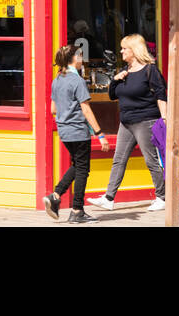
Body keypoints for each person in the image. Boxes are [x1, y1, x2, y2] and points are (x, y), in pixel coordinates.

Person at [87, 34, 168, 211]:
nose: (121, 51)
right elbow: (112, 95)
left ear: (135, 50)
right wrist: (115, 80)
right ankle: (108, 198)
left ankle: (162, 197)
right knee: (119, 160)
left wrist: (164, 117)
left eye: (125, 48)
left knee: (151, 160)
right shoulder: (125, 70)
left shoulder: (150, 70)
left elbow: (161, 94)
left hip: (146, 121)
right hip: (126, 122)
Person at [45, 45, 109, 223]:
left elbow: (53, 109)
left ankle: (56, 195)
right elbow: (86, 109)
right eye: (80, 56)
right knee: (82, 169)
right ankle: (77, 210)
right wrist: (100, 134)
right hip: (78, 131)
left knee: (78, 165)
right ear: (74, 59)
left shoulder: (57, 79)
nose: (82, 60)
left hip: (64, 131)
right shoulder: (77, 80)